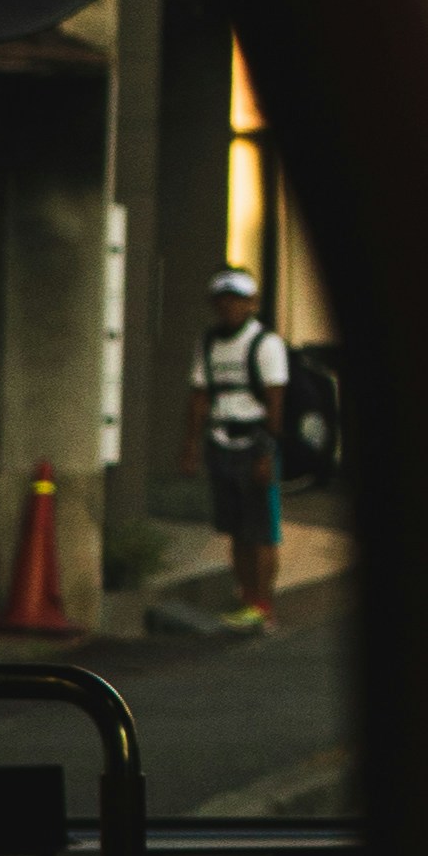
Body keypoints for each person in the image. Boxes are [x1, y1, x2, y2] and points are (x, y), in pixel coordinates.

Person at [179, 267, 289, 632]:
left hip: (254, 444)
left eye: (238, 298)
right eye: (223, 298)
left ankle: (263, 604)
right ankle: (246, 597)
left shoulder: (265, 343)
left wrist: (266, 453)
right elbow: (200, 396)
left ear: (252, 303)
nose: (230, 305)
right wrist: (191, 446)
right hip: (220, 443)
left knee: (260, 530)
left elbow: (275, 402)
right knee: (236, 529)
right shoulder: (209, 342)